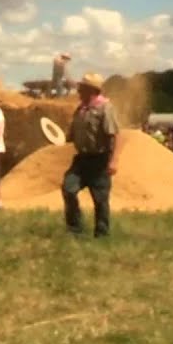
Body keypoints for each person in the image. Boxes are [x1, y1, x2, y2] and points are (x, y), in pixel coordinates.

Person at [62, 72, 120, 238]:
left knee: (100, 199)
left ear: (91, 90)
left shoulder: (105, 108)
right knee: (68, 188)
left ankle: (102, 234)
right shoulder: (80, 109)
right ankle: (75, 229)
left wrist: (114, 160)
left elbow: (114, 135)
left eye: (82, 87)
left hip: (99, 160)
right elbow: (71, 134)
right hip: (81, 160)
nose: (78, 90)